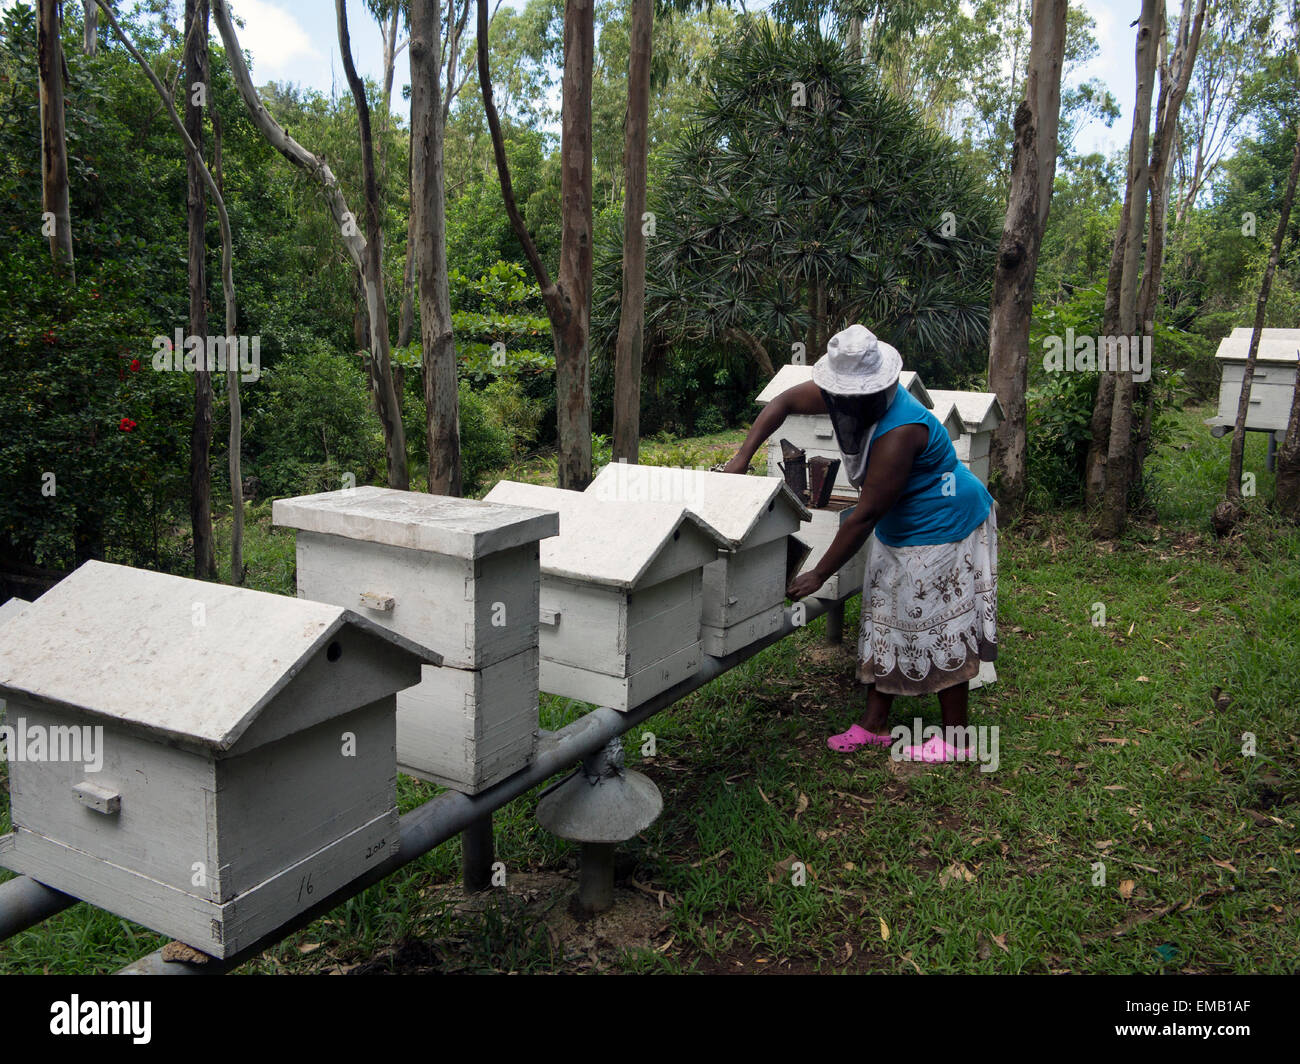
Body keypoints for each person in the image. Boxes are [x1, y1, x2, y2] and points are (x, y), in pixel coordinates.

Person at [722, 324, 998, 762]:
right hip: (902, 522)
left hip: (946, 522)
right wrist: (744, 454)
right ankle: (875, 726)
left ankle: (957, 739)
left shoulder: (900, 430)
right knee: (883, 616)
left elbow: (864, 515)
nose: (842, 402)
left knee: (942, 624)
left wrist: (818, 573)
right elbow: (783, 402)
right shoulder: (841, 397)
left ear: (876, 388)